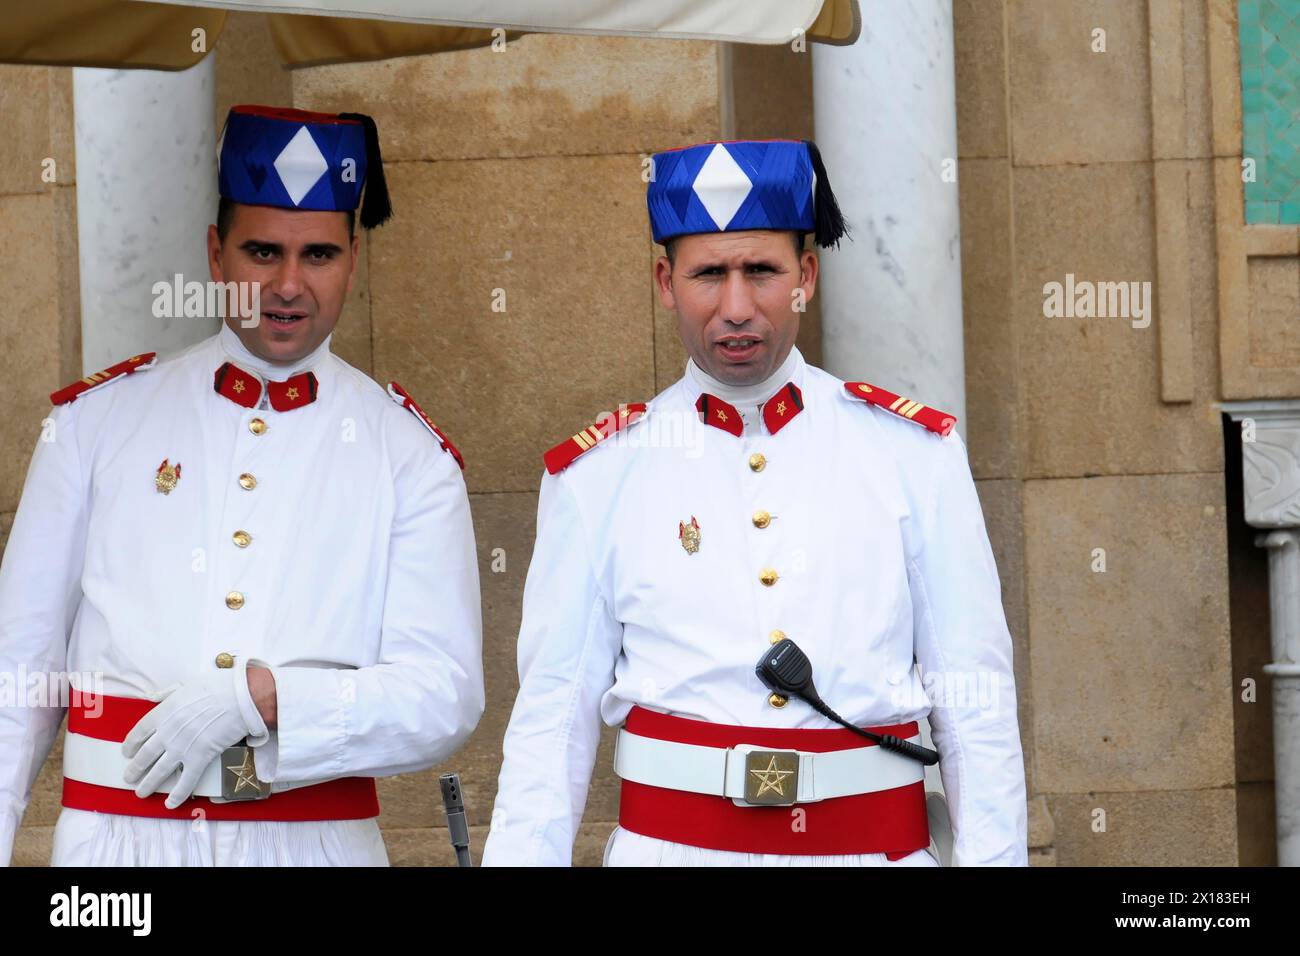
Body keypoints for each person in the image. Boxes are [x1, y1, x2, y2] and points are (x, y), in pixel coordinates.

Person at [482, 138, 1027, 866]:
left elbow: (975, 703)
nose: (736, 307)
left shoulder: (913, 455)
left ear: (805, 275)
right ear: (665, 281)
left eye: (761, 271)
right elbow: (553, 721)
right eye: (709, 273)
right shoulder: (598, 474)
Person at [0, 104, 484, 867]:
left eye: (318, 255)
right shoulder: (94, 425)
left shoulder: (409, 456)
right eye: (263, 251)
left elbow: (444, 698)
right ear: (215, 255)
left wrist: (267, 699)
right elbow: (16, 678)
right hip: (116, 852)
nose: (288, 285)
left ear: (353, 259)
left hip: (313, 846)